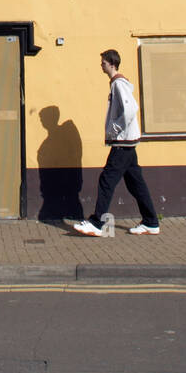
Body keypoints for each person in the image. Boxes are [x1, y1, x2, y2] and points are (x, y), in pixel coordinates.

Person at [67, 49, 160, 236]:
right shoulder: (117, 84)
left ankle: (97, 223)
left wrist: (115, 129)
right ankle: (151, 222)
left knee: (106, 180)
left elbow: (130, 109)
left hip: (123, 143)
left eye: (102, 62)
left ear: (111, 63)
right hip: (127, 143)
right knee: (136, 184)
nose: (100, 65)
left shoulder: (118, 84)